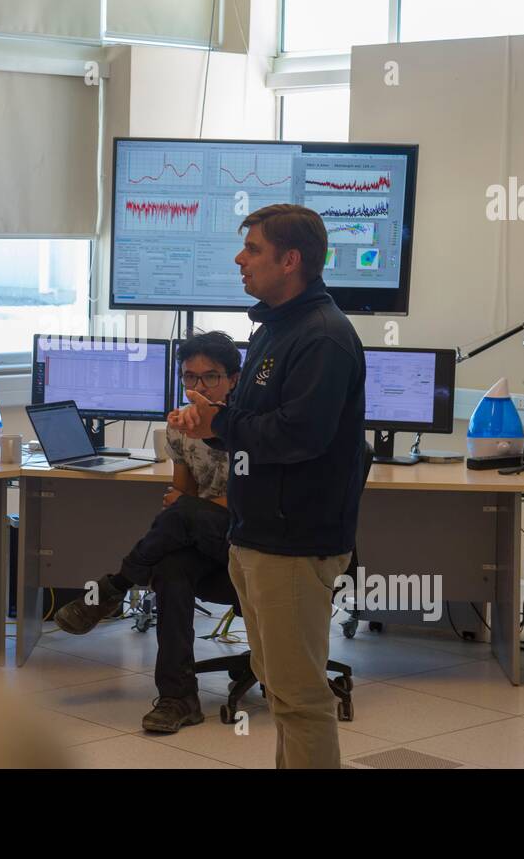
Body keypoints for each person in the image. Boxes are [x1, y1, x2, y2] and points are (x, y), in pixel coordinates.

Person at [170, 204, 366, 769]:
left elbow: (300, 435)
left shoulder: (322, 337)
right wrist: (210, 414)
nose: (240, 259)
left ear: (291, 260)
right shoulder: (274, 328)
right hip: (255, 534)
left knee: (301, 700)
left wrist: (220, 423)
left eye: (252, 249)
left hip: (294, 541)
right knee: (279, 689)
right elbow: (255, 416)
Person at [53, 331, 243, 734]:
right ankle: (179, 698)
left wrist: (188, 507)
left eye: (210, 377)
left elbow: (247, 506)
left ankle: (115, 586)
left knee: (183, 515)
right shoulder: (179, 427)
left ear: (234, 380)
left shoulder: (250, 430)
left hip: (250, 542)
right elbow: (182, 493)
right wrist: (187, 505)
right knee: (171, 569)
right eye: (189, 378)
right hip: (207, 537)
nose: (197, 388)